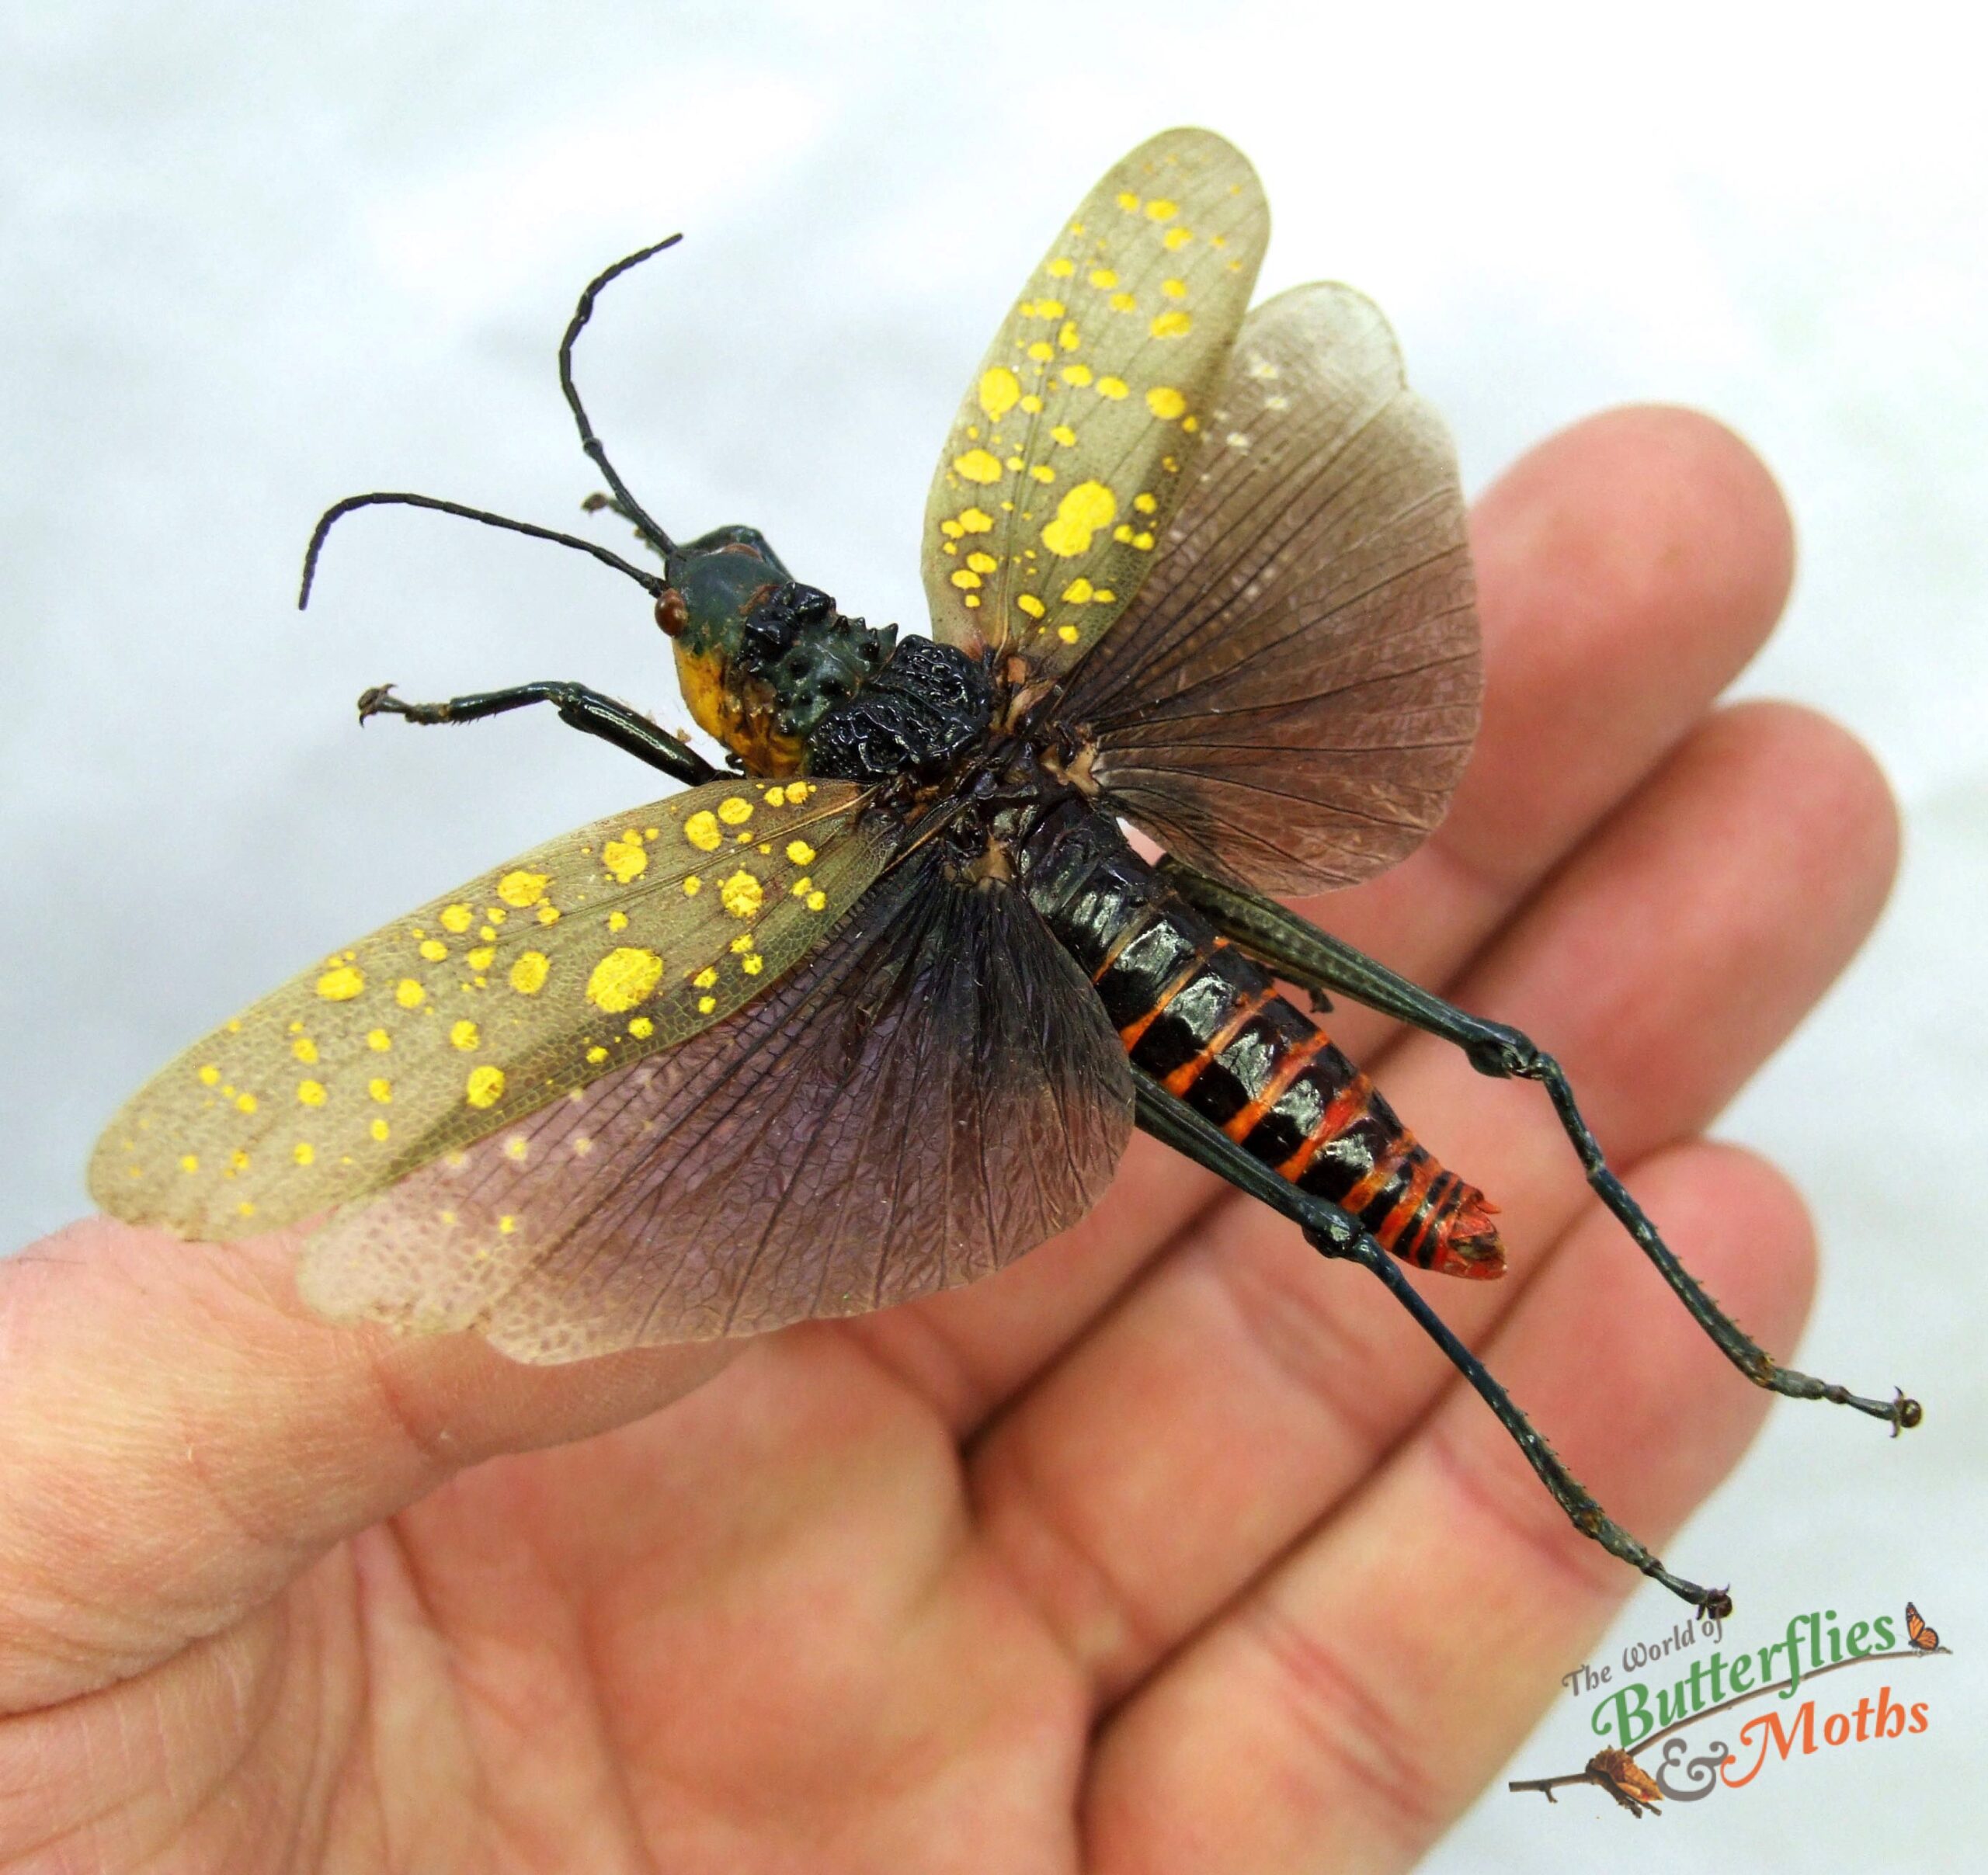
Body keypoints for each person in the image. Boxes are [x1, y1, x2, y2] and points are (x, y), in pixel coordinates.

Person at [0, 407, 1896, 1871]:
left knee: (1465, 1095)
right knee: (1396, 1170)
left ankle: (1688, 1401)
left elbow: (612, 737)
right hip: (1107, 918)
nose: (708, 617)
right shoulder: (973, 672)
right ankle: (1613, 1470)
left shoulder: (788, 823)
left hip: (1133, 946)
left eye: (715, 600)